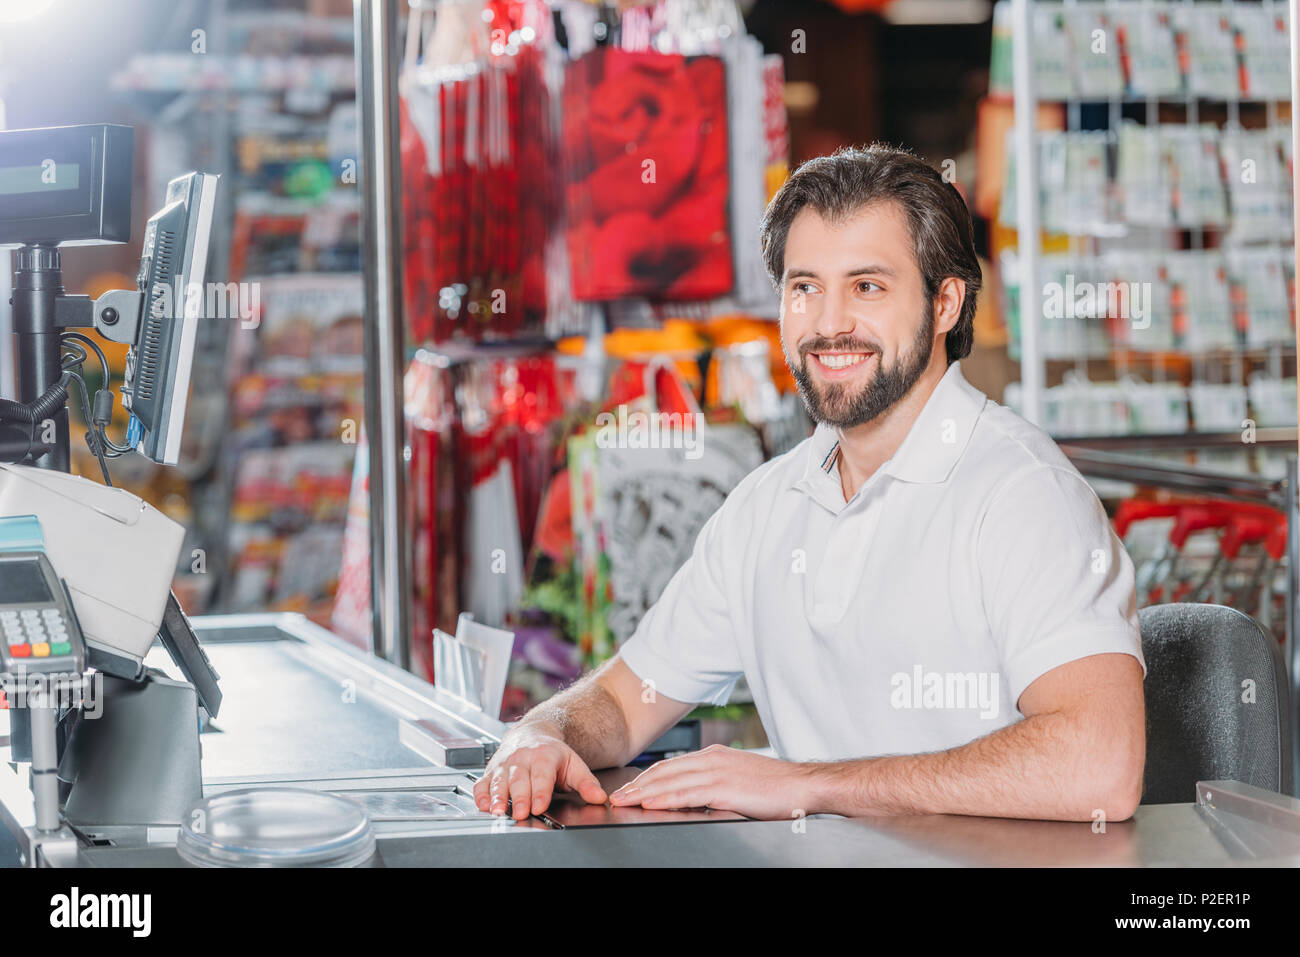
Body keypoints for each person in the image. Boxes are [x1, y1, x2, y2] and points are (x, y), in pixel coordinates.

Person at [473, 144, 1146, 823]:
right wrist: (543, 731)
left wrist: (809, 783)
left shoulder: (1023, 494)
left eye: (867, 286)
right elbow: (624, 701)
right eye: (805, 288)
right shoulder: (764, 507)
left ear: (946, 303)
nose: (829, 324)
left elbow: (1101, 768)